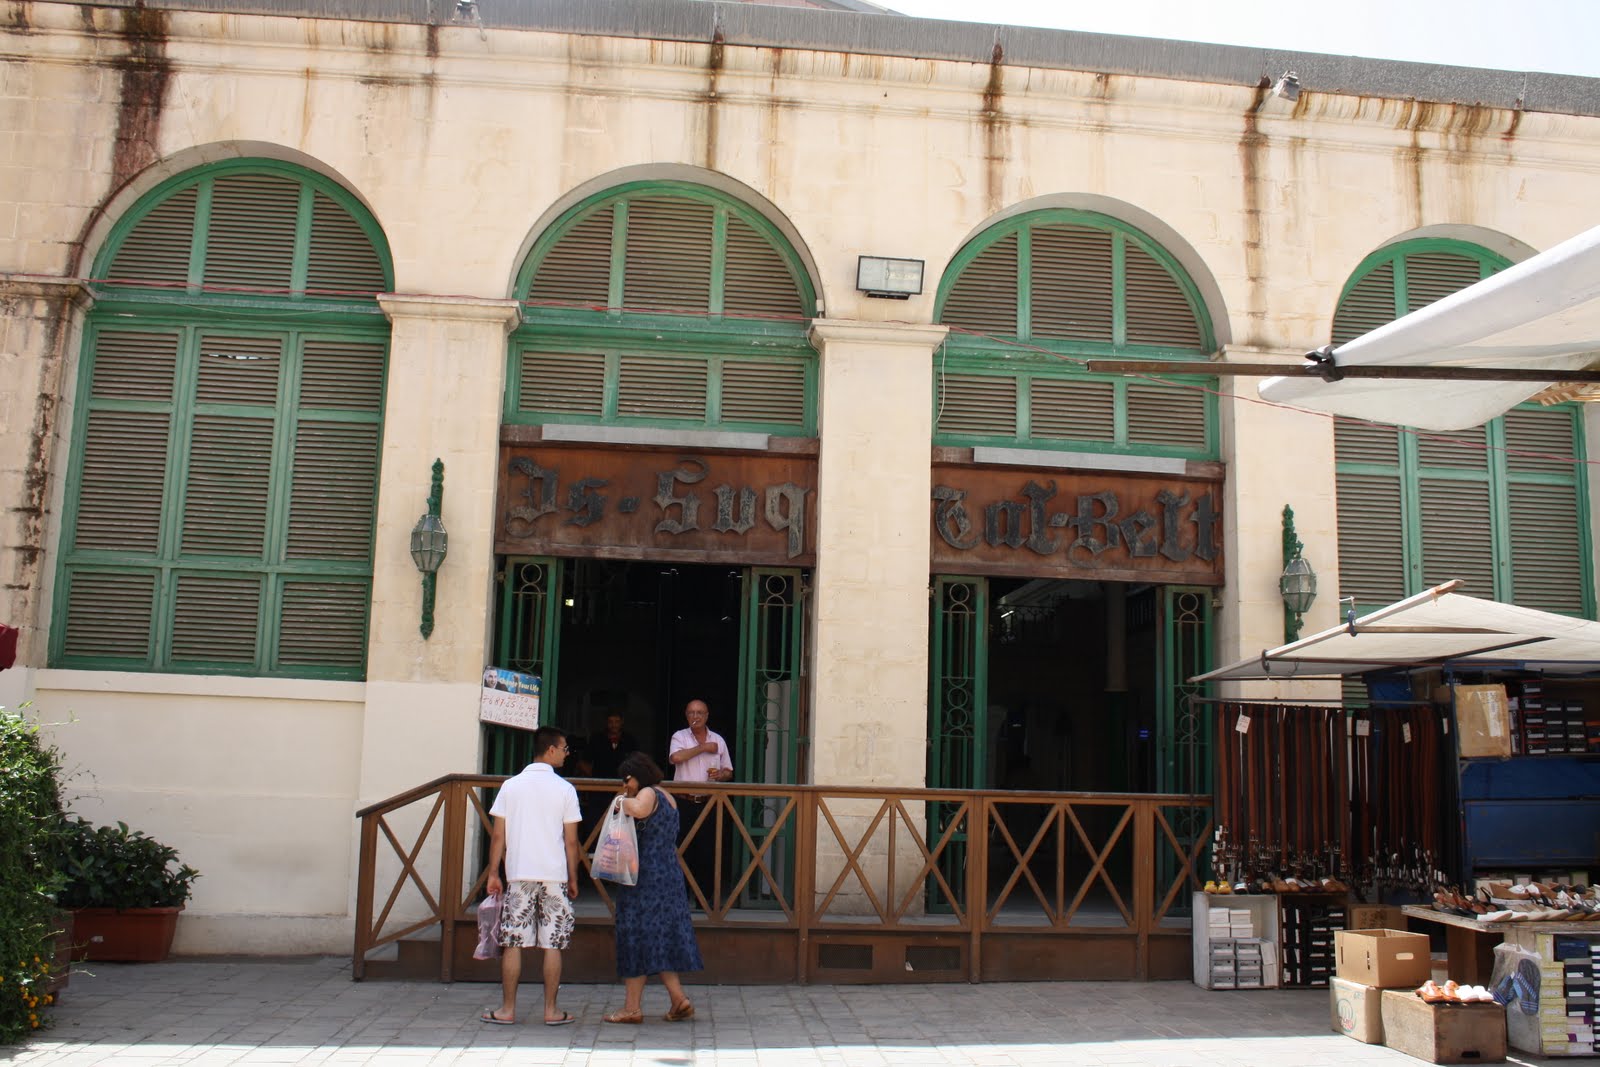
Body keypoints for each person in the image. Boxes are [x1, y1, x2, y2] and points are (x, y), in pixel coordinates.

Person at [480, 726, 581, 1027]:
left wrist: (494, 872)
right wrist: (573, 877)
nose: (566, 754)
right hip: (553, 874)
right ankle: (551, 1010)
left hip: (519, 873)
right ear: (551, 750)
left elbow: (498, 836)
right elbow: (571, 841)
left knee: (513, 942)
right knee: (553, 944)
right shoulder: (565, 789)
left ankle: (508, 1009)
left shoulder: (511, 786)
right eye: (564, 749)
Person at [602, 752, 703, 1024]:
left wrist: (621, 800)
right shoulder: (667, 795)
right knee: (660, 938)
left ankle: (632, 1008)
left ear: (638, 775)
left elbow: (638, 809)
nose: (626, 783)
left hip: (645, 877)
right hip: (668, 873)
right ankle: (678, 999)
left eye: (628, 778)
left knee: (635, 935)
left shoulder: (647, 793)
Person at [667, 699, 732, 905]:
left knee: (708, 851)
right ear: (686, 716)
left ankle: (706, 900)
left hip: (709, 802)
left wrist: (721, 776)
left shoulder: (718, 740)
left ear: (707, 716)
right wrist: (703, 748)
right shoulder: (679, 736)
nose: (695, 716)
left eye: (700, 713)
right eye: (691, 713)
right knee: (683, 849)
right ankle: (681, 899)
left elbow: (729, 771)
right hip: (684, 802)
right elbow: (676, 758)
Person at [587, 711, 640, 781]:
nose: (614, 725)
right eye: (610, 722)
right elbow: (584, 762)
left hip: (624, 783)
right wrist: (594, 779)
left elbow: (636, 764)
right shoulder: (596, 739)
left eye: (617, 722)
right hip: (600, 783)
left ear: (622, 722)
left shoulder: (630, 740)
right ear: (606, 722)